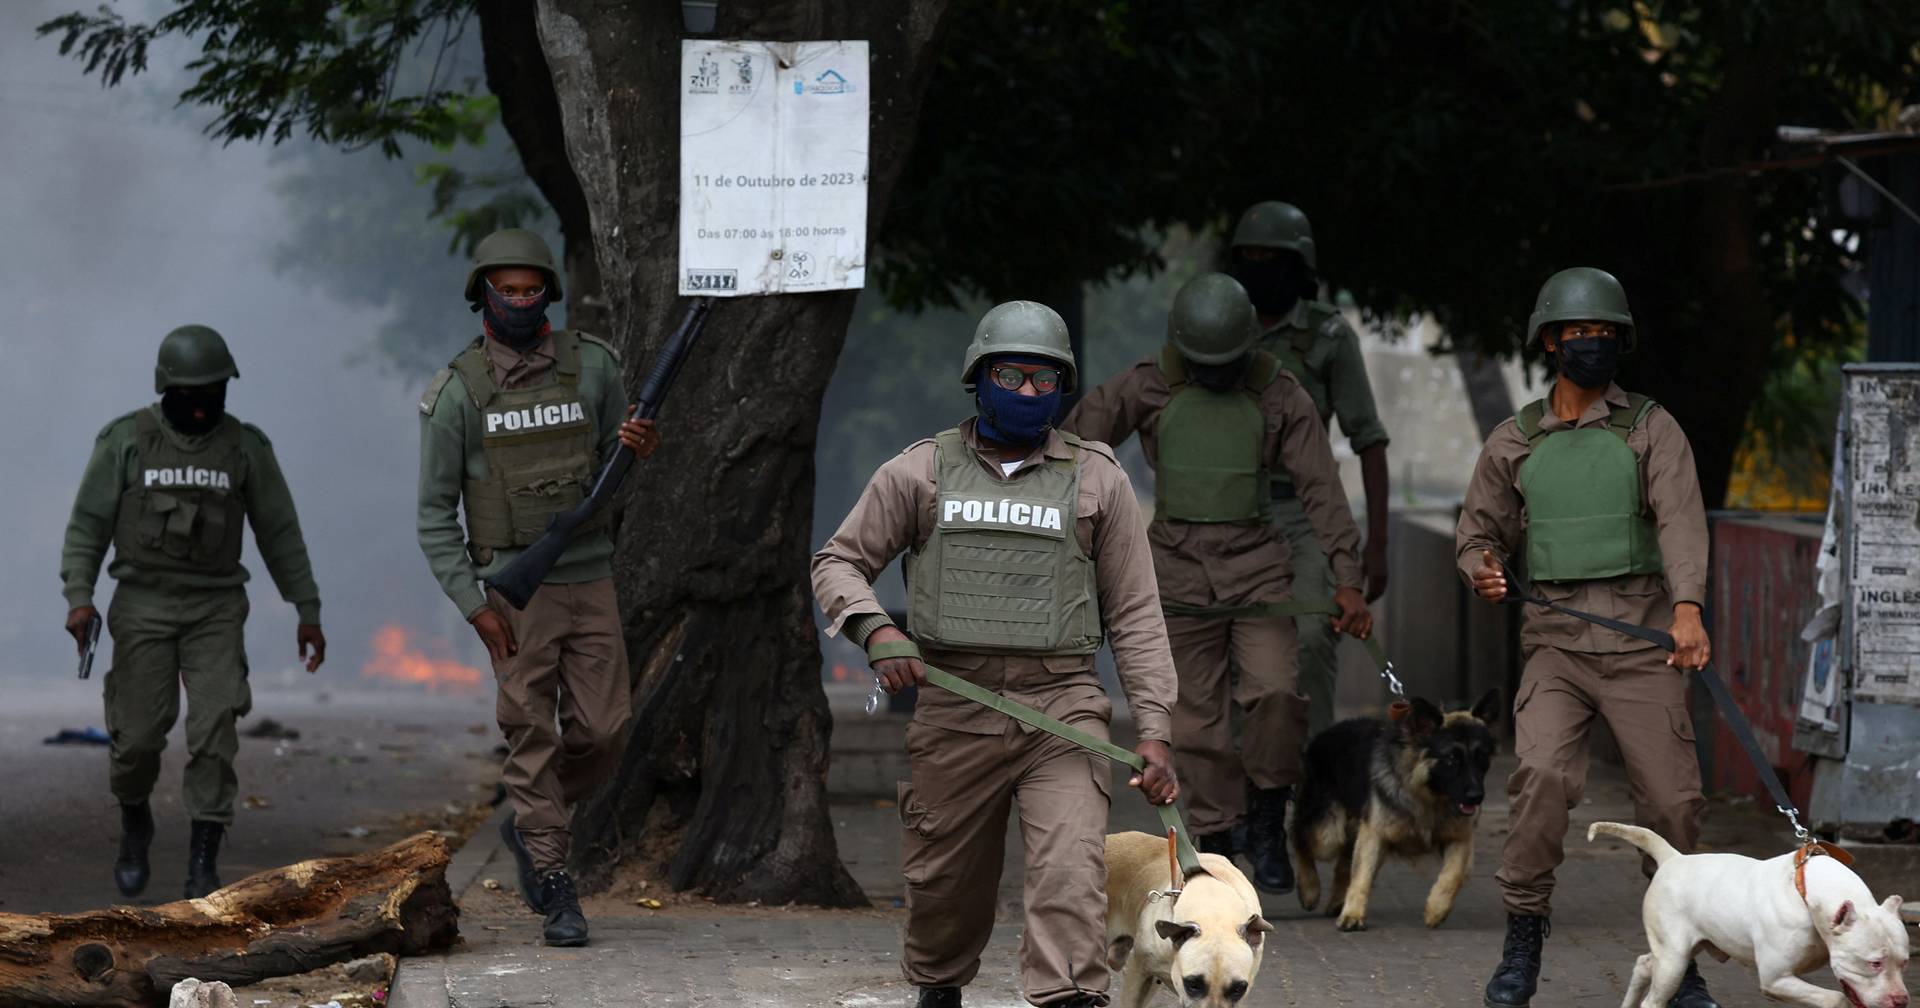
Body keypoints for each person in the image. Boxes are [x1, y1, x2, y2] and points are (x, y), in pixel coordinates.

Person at [811, 301, 1180, 1008]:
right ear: (979, 378)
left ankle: (1070, 992)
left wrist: (1157, 731)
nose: (1030, 393)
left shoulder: (1099, 480)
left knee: (1072, 870)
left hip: (1063, 708)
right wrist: (875, 630)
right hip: (955, 701)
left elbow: (1135, 613)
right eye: (1013, 375)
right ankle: (940, 983)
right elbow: (838, 562)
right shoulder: (919, 473)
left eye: (1047, 381)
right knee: (946, 888)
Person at [1457, 267, 1717, 1008]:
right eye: (1579, 333)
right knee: (1539, 781)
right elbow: (1478, 532)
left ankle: (1684, 955)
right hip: (1557, 645)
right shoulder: (1516, 439)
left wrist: (1689, 608)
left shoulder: (1650, 429)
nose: (1593, 344)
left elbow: (1681, 523)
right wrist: (1482, 568)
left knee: (1671, 804)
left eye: (1605, 334)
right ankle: (1523, 936)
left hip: (1641, 640)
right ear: (1550, 341)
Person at [1062, 272, 1371, 894]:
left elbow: (1322, 489)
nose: (1215, 373)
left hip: (1257, 563)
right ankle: (1220, 839)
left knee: (1277, 694)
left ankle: (1265, 814)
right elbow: (1073, 442)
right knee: (1196, 722)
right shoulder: (1150, 381)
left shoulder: (1278, 392)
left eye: (1226, 362)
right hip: (1175, 566)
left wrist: (1349, 579)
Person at [416, 228, 659, 947]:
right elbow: (434, 516)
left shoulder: (593, 370)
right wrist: (474, 606)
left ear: (547, 293)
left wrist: (642, 450)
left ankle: (530, 822)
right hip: (512, 590)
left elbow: (618, 466)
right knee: (531, 733)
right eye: (506, 290)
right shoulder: (459, 392)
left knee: (605, 731)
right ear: (482, 295)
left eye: (530, 290)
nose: (519, 301)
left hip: (589, 578)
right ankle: (557, 887)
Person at [61, 324, 326, 900]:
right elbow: (88, 527)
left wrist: (307, 608)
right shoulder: (125, 442)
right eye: (193, 392)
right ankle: (135, 820)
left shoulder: (245, 448)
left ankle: (202, 860)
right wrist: (79, 598)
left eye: (216, 389)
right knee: (135, 740)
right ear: (167, 389)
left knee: (213, 732)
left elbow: (280, 533)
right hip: (142, 604)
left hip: (215, 608)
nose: (205, 402)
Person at [1226, 201, 1392, 737]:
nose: (1260, 266)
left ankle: (1318, 776)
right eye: (1249, 256)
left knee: (1316, 633)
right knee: (1221, 640)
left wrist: (1377, 547)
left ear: (1299, 265)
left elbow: (1368, 439)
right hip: (1225, 509)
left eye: (1272, 257)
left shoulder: (1328, 336)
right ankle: (1233, 795)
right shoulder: (1217, 325)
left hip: (1303, 508)